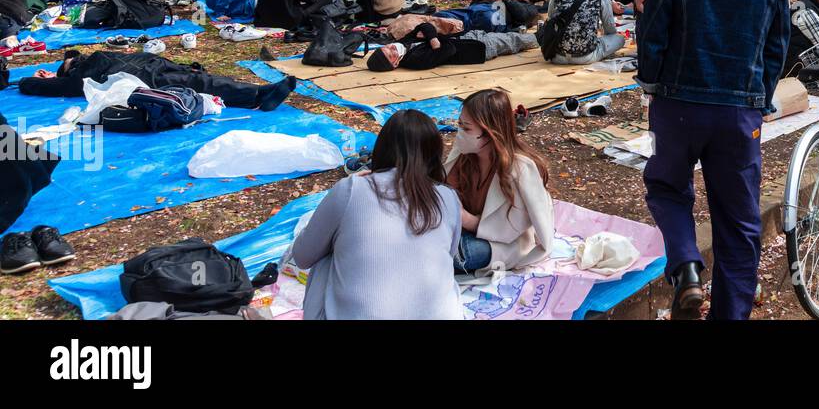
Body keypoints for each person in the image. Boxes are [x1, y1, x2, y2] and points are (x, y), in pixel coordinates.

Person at [637, 0, 789, 321]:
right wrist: (757, 99)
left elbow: (654, 35)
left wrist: (653, 82)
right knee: (740, 223)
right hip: (740, 115)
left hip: (678, 105)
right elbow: (777, 49)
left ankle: (685, 265)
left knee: (666, 186)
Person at [291, 109, 462, 320]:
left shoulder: (352, 189)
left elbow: (302, 256)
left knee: (327, 255)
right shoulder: (448, 197)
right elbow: (450, 254)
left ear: (382, 148)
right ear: (434, 155)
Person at [443, 88, 554, 274]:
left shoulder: (520, 169)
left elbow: (511, 229)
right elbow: (443, 190)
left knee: (464, 252)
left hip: (501, 243)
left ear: (490, 132)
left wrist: (467, 219)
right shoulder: (464, 153)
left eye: (467, 128)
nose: (460, 133)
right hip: (460, 232)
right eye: (460, 125)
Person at [19, 49, 298, 112]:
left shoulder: (92, 58)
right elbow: (44, 86)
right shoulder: (80, 79)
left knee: (203, 80)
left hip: (153, 66)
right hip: (146, 78)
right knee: (202, 85)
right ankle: (259, 95)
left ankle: (259, 94)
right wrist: (32, 79)